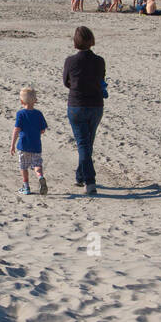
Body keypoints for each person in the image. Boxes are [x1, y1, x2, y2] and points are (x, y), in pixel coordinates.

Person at [63, 26, 105, 196]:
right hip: (95, 105)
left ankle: (89, 180)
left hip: (77, 105)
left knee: (83, 144)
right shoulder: (99, 60)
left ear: (75, 42)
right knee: (87, 143)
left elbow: (66, 82)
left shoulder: (70, 61)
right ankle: (81, 176)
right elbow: (101, 79)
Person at [10, 87, 49, 197]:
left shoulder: (20, 114)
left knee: (23, 166)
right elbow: (42, 130)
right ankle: (40, 177)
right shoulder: (38, 114)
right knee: (37, 164)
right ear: (35, 101)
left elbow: (16, 129)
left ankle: (26, 186)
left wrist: (12, 144)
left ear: (21, 101)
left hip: (23, 145)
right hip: (36, 145)